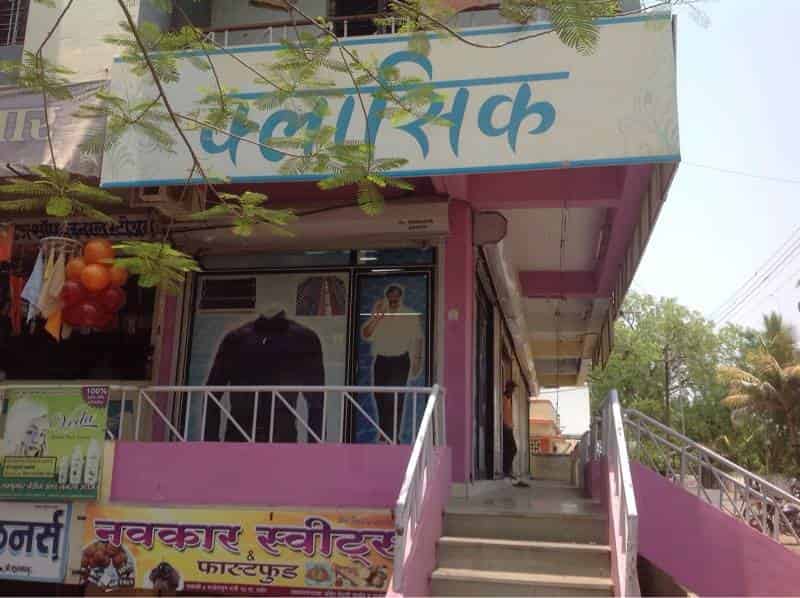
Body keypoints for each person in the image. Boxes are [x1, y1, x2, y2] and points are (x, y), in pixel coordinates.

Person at [361, 285, 424, 441]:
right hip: (381, 360)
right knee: (380, 397)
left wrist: (417, 360)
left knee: (395, 398)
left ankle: (393, 436)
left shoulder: (409, 314)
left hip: (400, 360)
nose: (393, 300)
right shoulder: (380, 314)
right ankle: (384, 435)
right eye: (391, 297)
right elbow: (366, 334)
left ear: (401, 297)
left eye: (396, 297)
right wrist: (377, 317)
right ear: (387, 297)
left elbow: (418, 338)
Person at [503, 380, 529, 487]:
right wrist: (505, 425)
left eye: (513, 389)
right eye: (512, 388)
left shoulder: (508, 399)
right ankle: (506, 470)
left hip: (509, 428)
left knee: (510, 449)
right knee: (512, 449)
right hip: (505, 428)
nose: (513, 391)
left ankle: (507, 470)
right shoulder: (503, 398)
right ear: (507, 387)